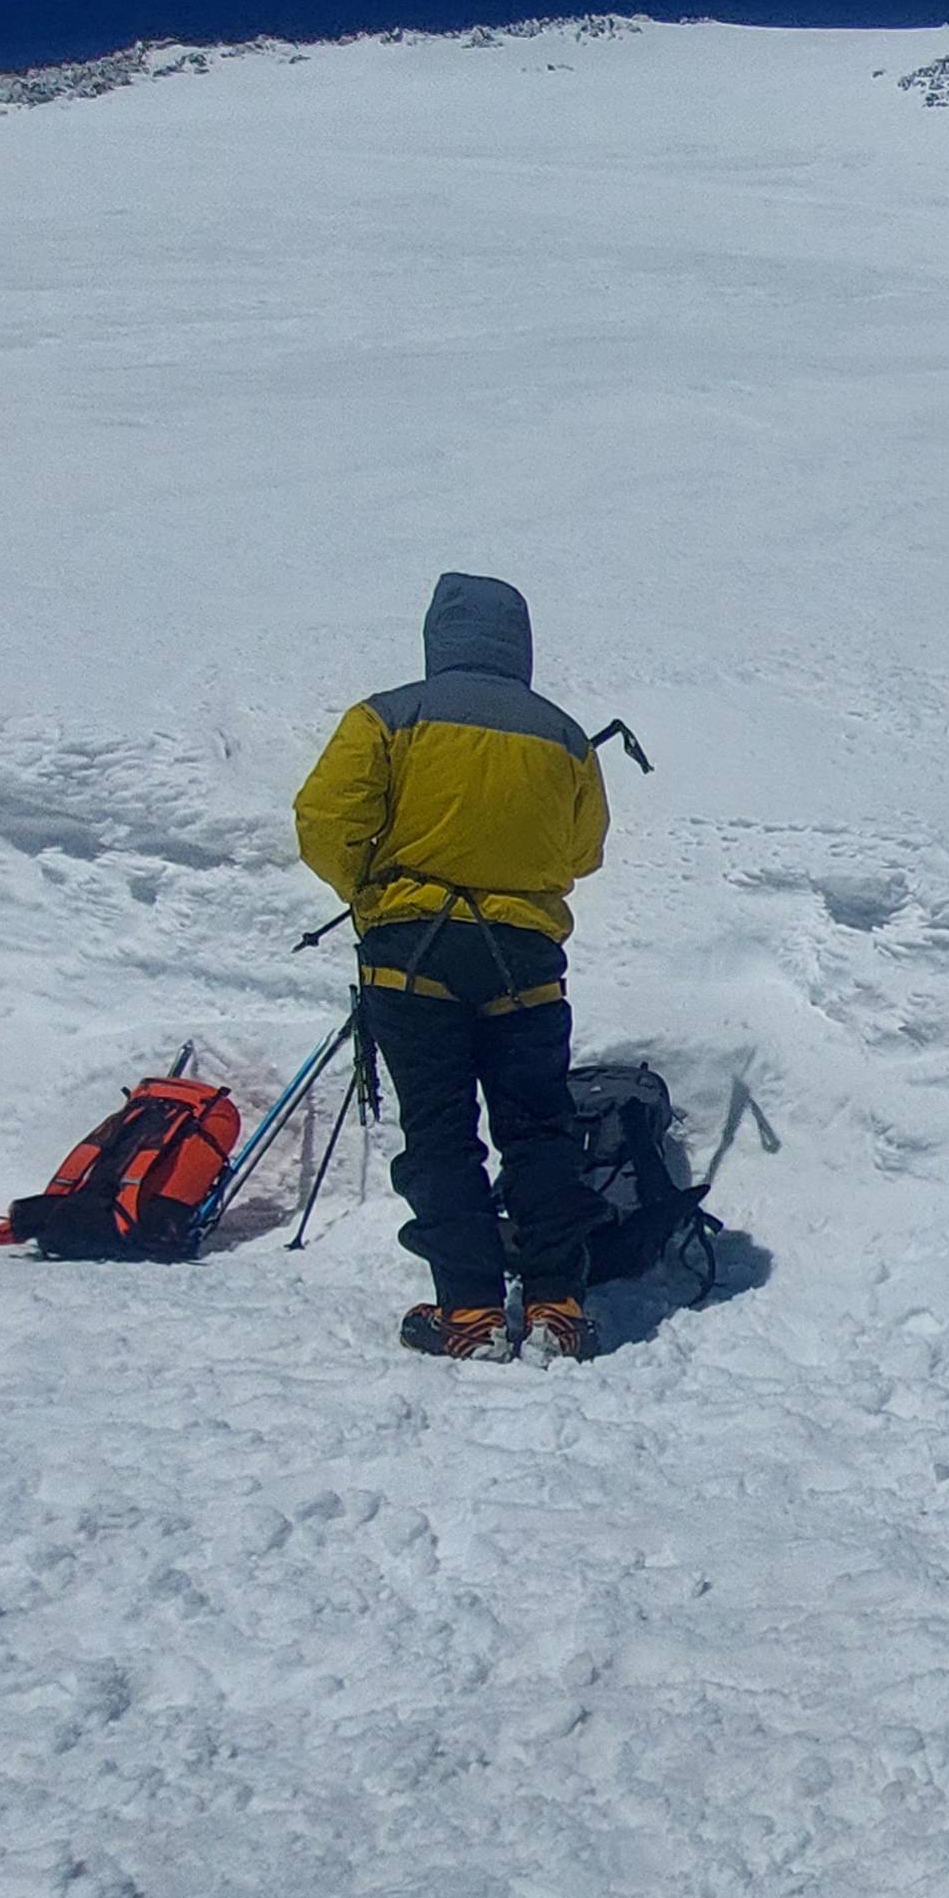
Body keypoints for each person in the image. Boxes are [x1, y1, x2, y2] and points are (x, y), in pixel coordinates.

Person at [294, 572, 613, 1362]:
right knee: (538, 1128)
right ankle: (557, 1303)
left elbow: (325, 821)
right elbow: (583, 851)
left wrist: (370, 894)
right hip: (525, 960)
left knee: (440, 1132)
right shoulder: (566, 738)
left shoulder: (386, 717)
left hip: (412, 955)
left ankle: (469, 1309)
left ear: (438, 638)